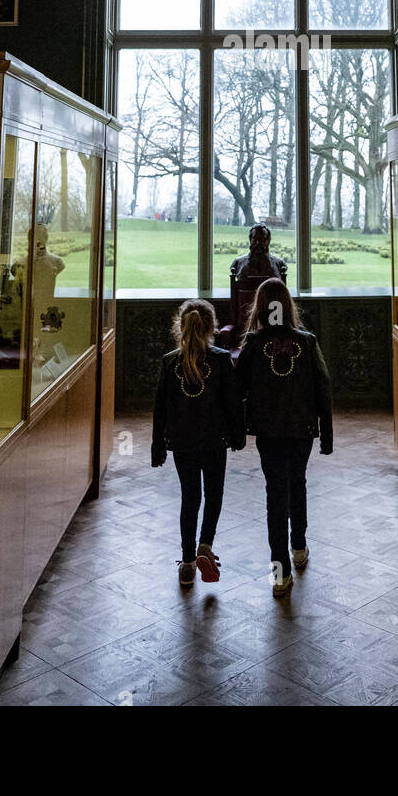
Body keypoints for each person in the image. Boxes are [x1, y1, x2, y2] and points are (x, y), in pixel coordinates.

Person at [235, 278, 333, 598]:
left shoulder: (252, 344)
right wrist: (326, 436)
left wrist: (235, 432)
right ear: (288, 305)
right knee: (298, 482)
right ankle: (300, 546)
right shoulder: (307, 342)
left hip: (269, 430)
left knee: (275, 495)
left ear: (260, 307)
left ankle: (280, 573)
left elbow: (238, 391)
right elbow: (323, 389)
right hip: (302, 428)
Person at [151, 299, 245, 587]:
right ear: (211, 328)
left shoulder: (170, 361)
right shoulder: (220, 359)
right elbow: (232, 403)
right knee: (213, 495)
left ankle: (188, 562)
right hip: (214, 440)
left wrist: (157, 444)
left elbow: (160, 407)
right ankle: (206, 545)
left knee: (189, 497)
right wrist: (238, 435)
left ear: (181, 326)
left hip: (181, 441)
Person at [218, 223, 288, 353]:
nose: (258, 243)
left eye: (262, 239)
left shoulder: (279, 264)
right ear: (250, 239)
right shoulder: (238, 263)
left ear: (268, 241)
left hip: (273, 331)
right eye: (255, 239)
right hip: (245, 334)